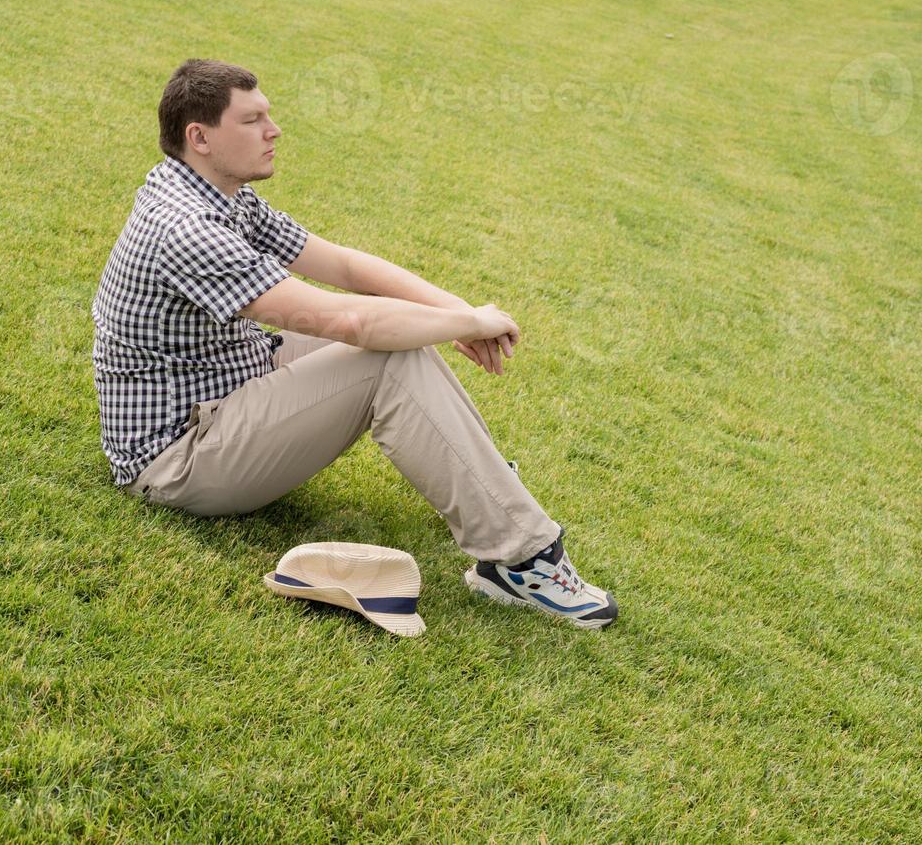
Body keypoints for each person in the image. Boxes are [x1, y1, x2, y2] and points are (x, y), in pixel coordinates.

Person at [90, 58, 616, 629]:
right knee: (387, 360)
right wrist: (467, 326)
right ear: (200, 137)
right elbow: (348, 323)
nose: (275, 129)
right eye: (253, 120)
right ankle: (523, 560)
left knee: (404, 341)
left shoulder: (216, 191)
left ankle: (484, 488)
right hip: (179, 457)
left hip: (228, 376)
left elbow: (341, 265)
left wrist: (456, 312)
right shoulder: (186, 227)